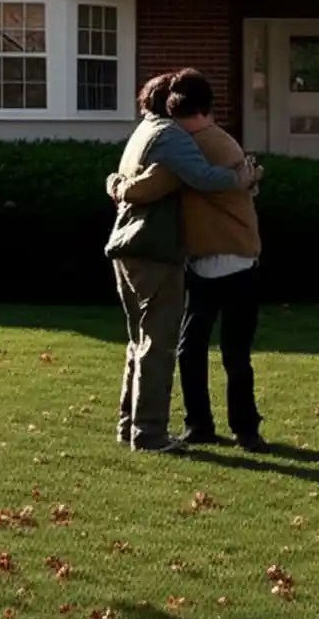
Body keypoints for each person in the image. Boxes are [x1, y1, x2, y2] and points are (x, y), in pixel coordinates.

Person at [108, 69, 268, 452]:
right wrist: (248, 177)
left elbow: (157, 184)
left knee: (178, 347)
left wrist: (115, 184)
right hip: (220, 258)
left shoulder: (175, 141)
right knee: (223, 351)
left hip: (204, 259)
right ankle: (236, 429)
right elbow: (220, 178)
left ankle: (189, 425)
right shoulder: (195, 140)